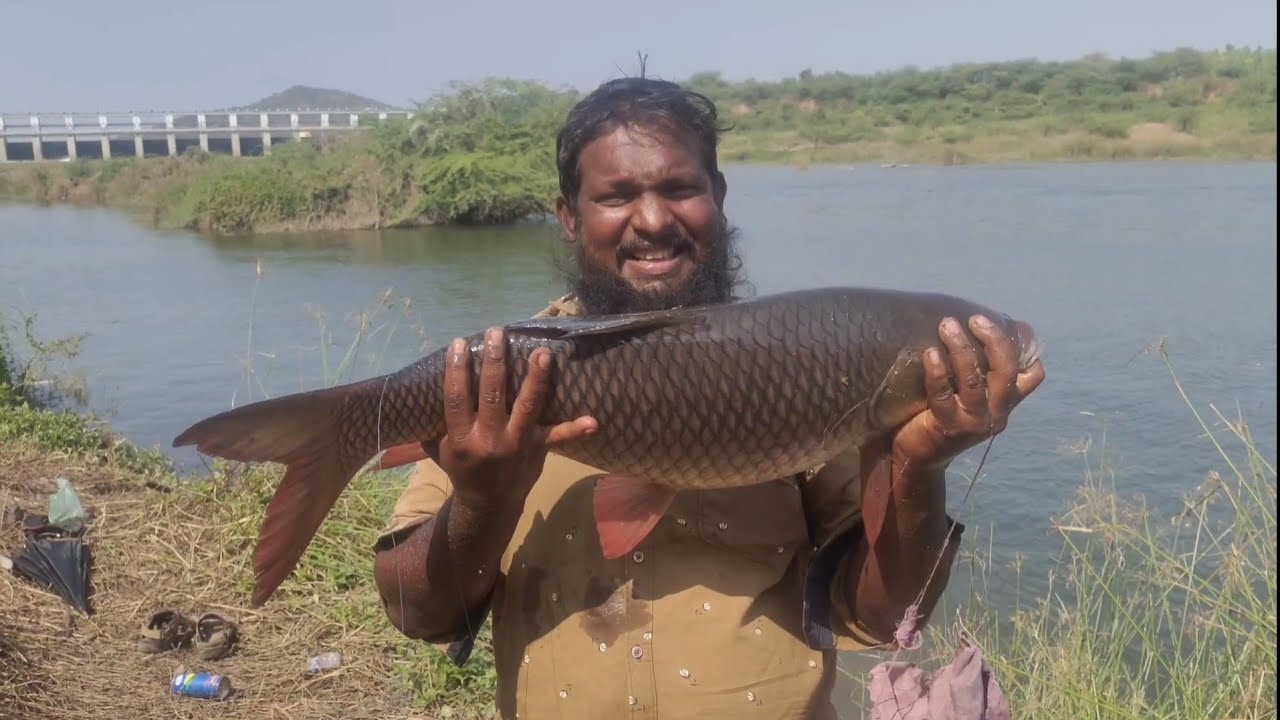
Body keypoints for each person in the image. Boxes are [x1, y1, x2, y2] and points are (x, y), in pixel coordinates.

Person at [371, 77, 1045, 719]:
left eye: (680, 188)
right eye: (617, 196)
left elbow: (878, 616)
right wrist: (484, 500)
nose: (654, 219)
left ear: (718, 196)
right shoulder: (503, 384)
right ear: (569, 218)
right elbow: (416, 612)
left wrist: (917, 466)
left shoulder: (799, 365)